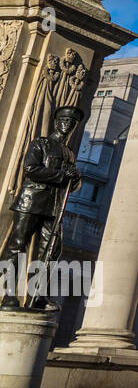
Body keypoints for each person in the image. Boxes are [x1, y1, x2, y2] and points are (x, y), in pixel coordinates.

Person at [1, 105, 83, 310]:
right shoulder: (41, 143)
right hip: (31, 201)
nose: (68, 125)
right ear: (56, 122)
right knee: (18, 246)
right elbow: (31, 169)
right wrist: (62, 175)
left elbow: (73, 183)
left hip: (53, 206)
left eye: (71, 123)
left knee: (51, 250)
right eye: (64, 121)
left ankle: (38, 296)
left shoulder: (69, 153)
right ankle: (9, 295)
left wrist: (75, 179)